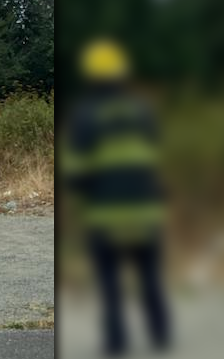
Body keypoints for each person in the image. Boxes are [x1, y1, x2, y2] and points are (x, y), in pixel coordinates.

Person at [64, 39, 170, 356]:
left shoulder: (85, 115)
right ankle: (160, 334)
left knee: (109, 280)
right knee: (149, 275)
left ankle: (116, 341)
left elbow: (76, 171)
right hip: (146, 211)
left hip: (105, 214)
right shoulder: (142, 110)